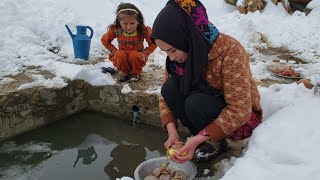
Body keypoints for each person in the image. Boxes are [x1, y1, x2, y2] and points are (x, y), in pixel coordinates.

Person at [151, 0, 263, 164]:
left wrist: (197, 139)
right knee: (170, 89)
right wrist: (172, 130)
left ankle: (214, 140)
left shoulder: (230, 51)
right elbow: (165, 96)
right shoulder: (179, 58)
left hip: (239, 122)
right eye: (166, 52)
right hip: (205, 108)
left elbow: (240, 110)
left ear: (188, 36)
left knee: (195, 103)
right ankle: (205, 136)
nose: (171, 57)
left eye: (173, 50)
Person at [101, 3, 157, 82]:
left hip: (137, 58)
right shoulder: (115, 30)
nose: (129, 27)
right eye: (125, 23)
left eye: (132, 23)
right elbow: (105, 40)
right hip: (122, 58)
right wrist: (114, 51)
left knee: (133, 55)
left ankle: (135, 73)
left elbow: (153, 43)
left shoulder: (143, 30)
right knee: (121, 55)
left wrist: (145, 53)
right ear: (119, 22)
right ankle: (125, 72)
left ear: (138, 21)